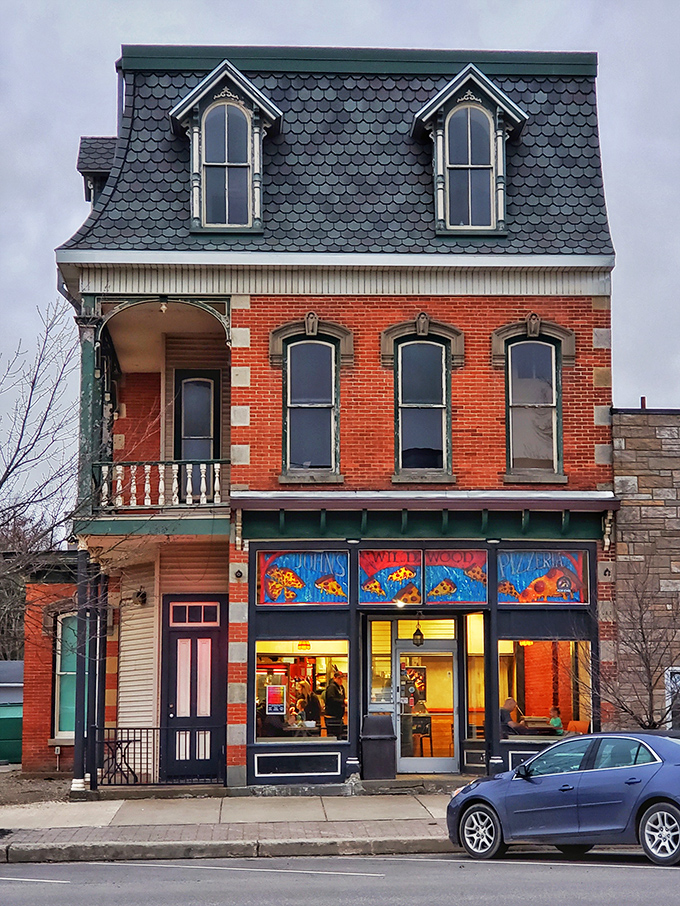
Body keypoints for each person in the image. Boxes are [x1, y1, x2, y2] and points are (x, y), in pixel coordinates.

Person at [324, 670, 347, 739]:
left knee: (340, 734)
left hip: (339, 716)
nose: (341, 680)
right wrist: (343, 701)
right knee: (333, 736)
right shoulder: (331, 687)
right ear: (334, 678)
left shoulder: (341, 688)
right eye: (339, 678)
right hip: (332, 716)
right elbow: (331, 700)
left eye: (341, 678)